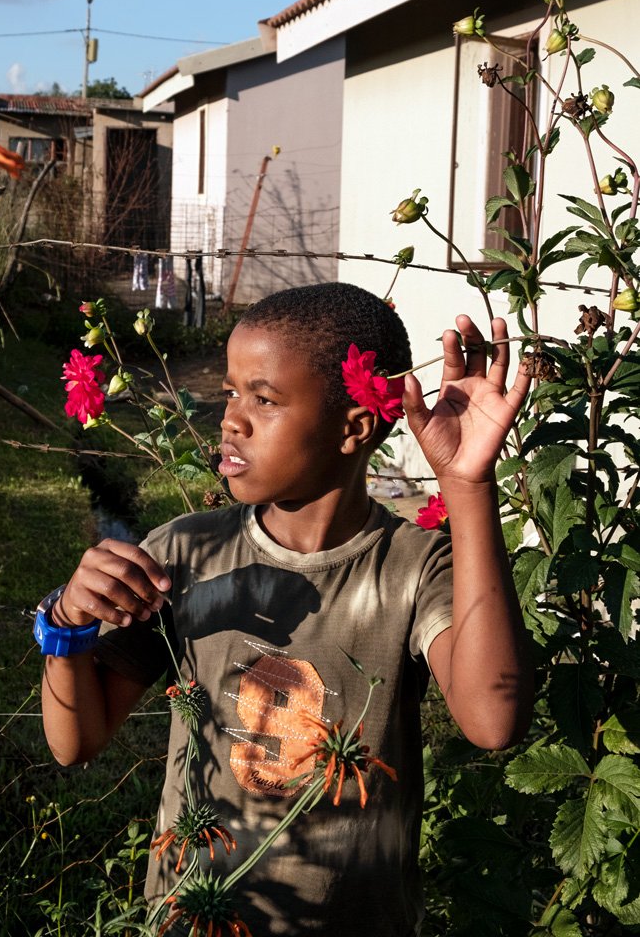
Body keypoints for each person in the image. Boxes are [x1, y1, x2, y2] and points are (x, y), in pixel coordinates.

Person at [40, 282, 533, 936]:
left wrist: (466, 485)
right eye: (232, 392)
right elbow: (76, 740)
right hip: (195, 920)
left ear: (354, 426)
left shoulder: (414, 568)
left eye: (264, 399)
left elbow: (493, 720)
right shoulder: (184, 552)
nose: (232, 419)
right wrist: (68, 627)